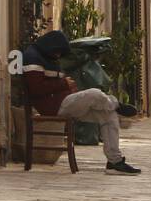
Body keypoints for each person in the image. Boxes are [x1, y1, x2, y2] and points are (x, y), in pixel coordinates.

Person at [22, 30, 142, 175]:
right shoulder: (32, 57)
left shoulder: (49, 58)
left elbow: (57, 82)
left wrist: (68, 86)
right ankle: (116, 104)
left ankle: (114, 162)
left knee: (109, 115)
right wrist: (64, 84)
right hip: (55, 106)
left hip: (65, 101)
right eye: (57, 53)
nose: (58, 56)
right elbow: (36, 89)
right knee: (94, 94)